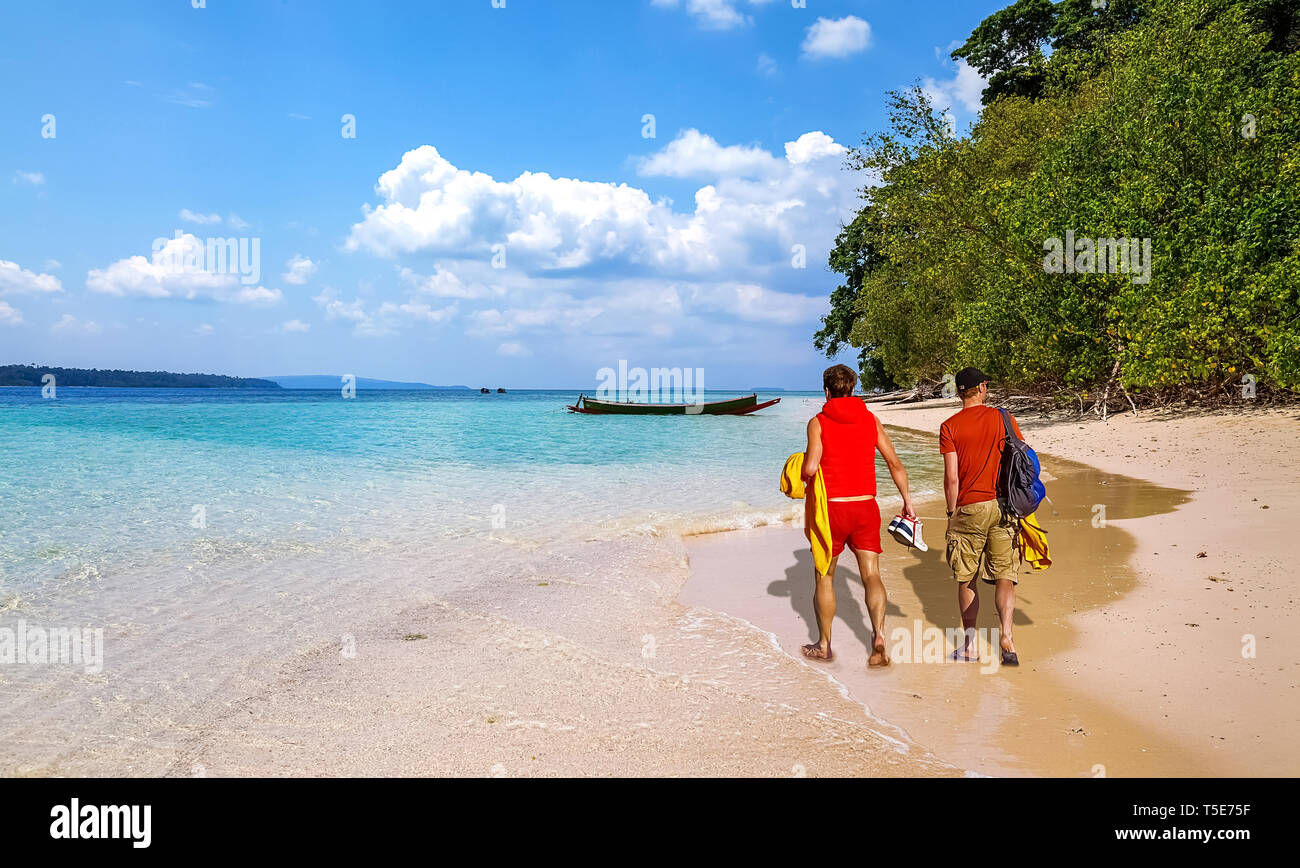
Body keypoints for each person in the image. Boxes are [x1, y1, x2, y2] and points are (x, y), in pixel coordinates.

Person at [801, 364, 916, 668]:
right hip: (866, 507)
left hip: (833, 510)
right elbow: (895, 464)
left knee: (825, 576)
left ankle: (824, 645)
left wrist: (797, 471)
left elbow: (811, 468)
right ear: (853, 390)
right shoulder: (870, 420)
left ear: (826, 391)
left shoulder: (818, 422)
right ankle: (878, 636)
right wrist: (907, 502)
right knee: (871, 574)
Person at [940, 367, 1025, 666]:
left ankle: (971, 645)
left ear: (960, 391)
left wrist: (952, 513)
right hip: (1003, 505)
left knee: (966, 576)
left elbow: (952, 478)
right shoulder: (1004, 419)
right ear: (982, 388)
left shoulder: (949, 426)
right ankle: (1006, 637)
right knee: (1006, 574)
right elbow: (1020, 461)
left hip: (969, 507)